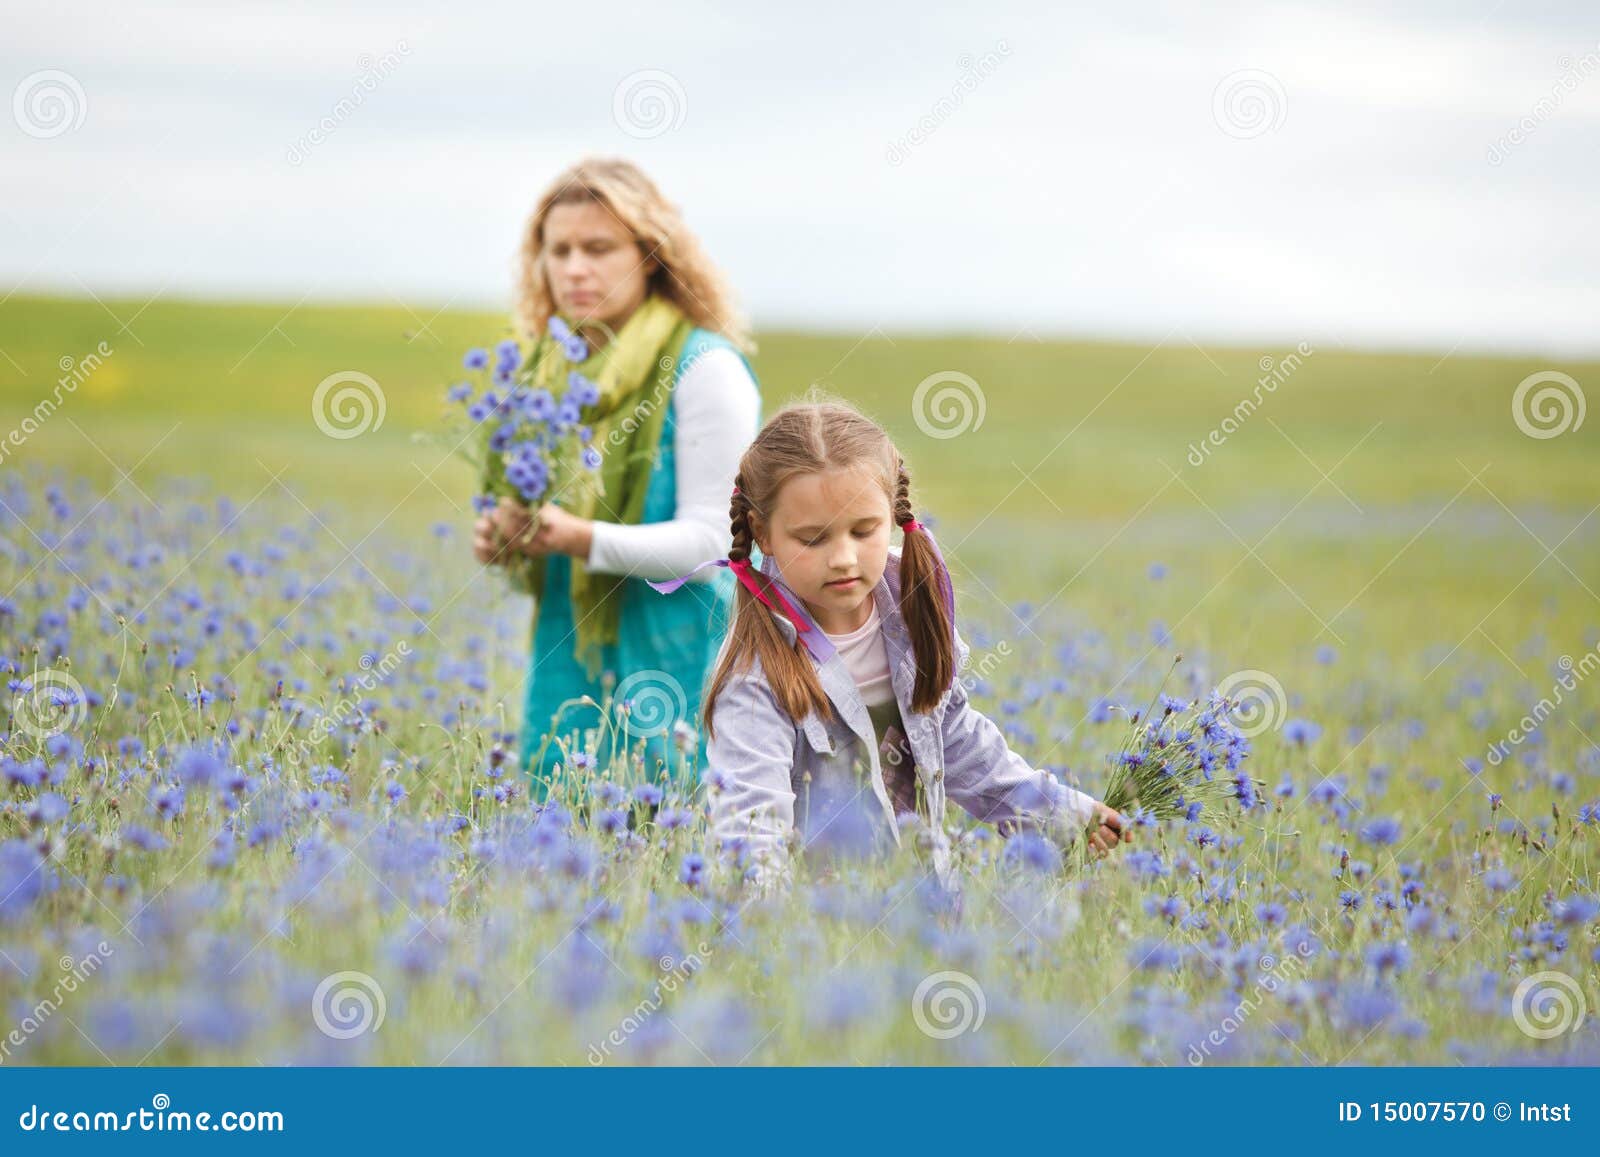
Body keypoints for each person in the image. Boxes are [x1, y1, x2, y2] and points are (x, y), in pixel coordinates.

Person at [647, 400, 1130, 894]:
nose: (843, 558)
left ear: (892, 517)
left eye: (863, 531)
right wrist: (773, 937)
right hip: (822, 930)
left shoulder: (909, 615)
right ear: (762, 533)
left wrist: (1060, 812)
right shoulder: (756, 676)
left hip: (924, 913)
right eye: (813, 539)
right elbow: (751, 831)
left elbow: (957, 742)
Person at [472, 157, 760, 801]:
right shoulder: (546, 379)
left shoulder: (704, 369)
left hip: (682, 661)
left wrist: (578, 538)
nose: (575, 268)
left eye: (599, 248)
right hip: (570, 667)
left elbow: (718, 545)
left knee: (676, 857)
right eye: (560, 249)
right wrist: (506, 544)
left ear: (651, 255)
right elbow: (542, 549)